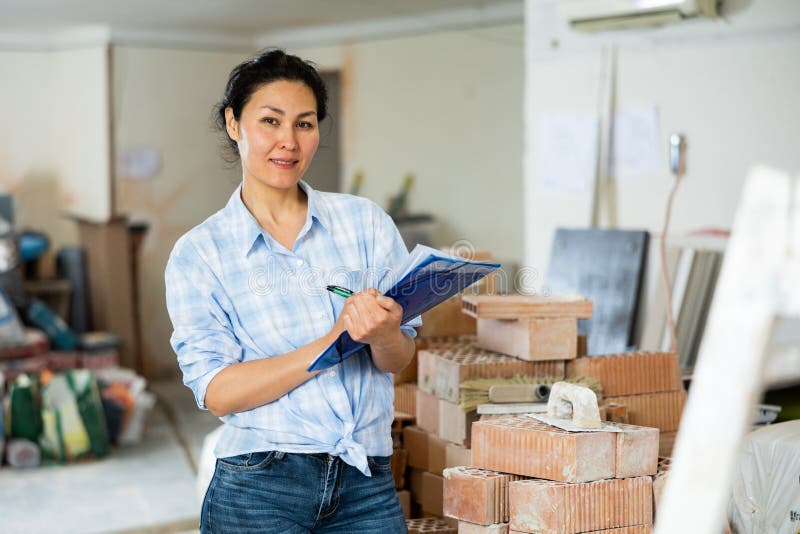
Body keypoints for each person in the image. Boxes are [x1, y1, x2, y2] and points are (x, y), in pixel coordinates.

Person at [165, 49, 421, 533]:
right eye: (270, 121)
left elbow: (397, 358)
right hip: (261, 485)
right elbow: (219, 392)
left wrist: (384, 332)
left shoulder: (363, 222)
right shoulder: (200, 254)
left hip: (366, 480)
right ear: (234, 124)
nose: (288, 141)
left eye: (304, 124)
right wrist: (335, 339)